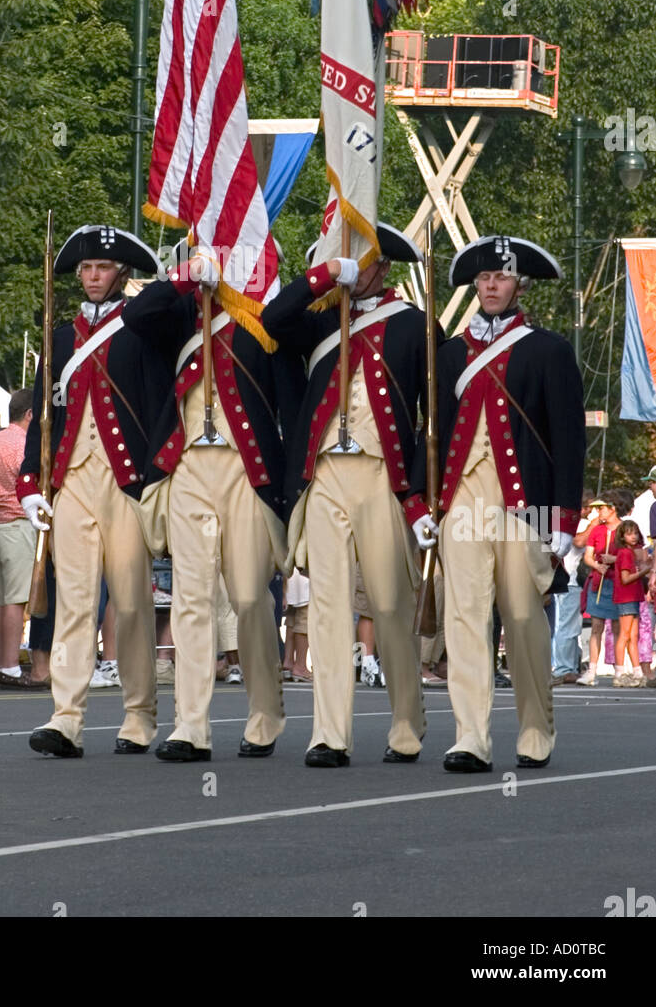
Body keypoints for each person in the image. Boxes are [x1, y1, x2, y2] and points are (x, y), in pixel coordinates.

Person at [407, 237, 585, 773]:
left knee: (525, 617)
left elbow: (569, 439)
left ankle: (535, 728)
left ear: (519, 284)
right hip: (461, 502)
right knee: (463, 619)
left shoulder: (548, 349)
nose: (490, 285)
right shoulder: (451, 354)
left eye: (501, 277)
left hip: (524, 506)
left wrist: (563, 519)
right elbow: (430, 432)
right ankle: (470, 737)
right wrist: (420, 502)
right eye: (483, 277)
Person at [123, 244, 303, 762]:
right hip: (188, 468)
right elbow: (138, 313)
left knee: (249, 599)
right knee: (191, 600)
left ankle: (265, 712)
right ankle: (191, 726)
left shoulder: (263, 321)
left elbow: (289, 402)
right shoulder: (179, 314)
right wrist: (185, 276)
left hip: (248, 471)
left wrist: (291, 490)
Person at [262, 226, 430, 768]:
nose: (358, 268)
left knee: (387, 603)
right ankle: (330, 733)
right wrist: (326, 275)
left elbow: (435, 423)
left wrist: (425, 497)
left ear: (385, 269)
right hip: (324, 474)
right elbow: (272, 319)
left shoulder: (413, 325)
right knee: (330, 607)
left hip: (385, 475)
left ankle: (406, 722)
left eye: (364, 261)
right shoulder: (316, 325)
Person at [21, 225, 168, 758]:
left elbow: (158, 406)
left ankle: (139, 714)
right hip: (72, 480)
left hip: (125, 481)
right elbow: (44, 414)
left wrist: (158, 483)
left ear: (122, 273)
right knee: (74, 606)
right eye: (85, 269)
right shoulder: (59, 338)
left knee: (130, 604)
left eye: (102, 267)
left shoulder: (140, 329)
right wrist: (31, 484)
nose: (92, 276)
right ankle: (66, 718)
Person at [0, 388, 45, 689]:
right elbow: (30, 481)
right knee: (16, 601)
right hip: (16, 523)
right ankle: (10, 665)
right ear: (30, 414)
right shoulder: (23, 444)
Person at [551, 491, 601, 684]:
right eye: (588, 508)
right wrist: (593, 526)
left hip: (570, 580)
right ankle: (564, 667)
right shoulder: (575, 523)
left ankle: (569, 664)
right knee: (567, 625)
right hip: (570, 580)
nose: (590, 512)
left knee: (567, 625)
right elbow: (578, 540)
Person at [577, 499, 622, 686]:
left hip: (619, 584)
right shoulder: (597, 530)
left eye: (601, 508)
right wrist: (597, 565)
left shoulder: (625, 528)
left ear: (613, 509)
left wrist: (615, 559)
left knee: (619, 629)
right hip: (599, 583)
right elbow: (588, 555)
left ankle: (619, 672)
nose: (598, 512)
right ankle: (591, 671)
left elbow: (635, 554)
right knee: (596, 627)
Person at [611, 519, 651, 687]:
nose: (633, 537)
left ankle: (637, 672)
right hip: (626, 597)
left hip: (632, 597)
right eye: (629, 534)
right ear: (622, 536)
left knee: (633, 636)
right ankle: (619, 673)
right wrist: (644, 571)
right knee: (625, 635)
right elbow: (625, 578)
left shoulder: (629, 553)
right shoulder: (626, 553)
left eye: (635, 533)